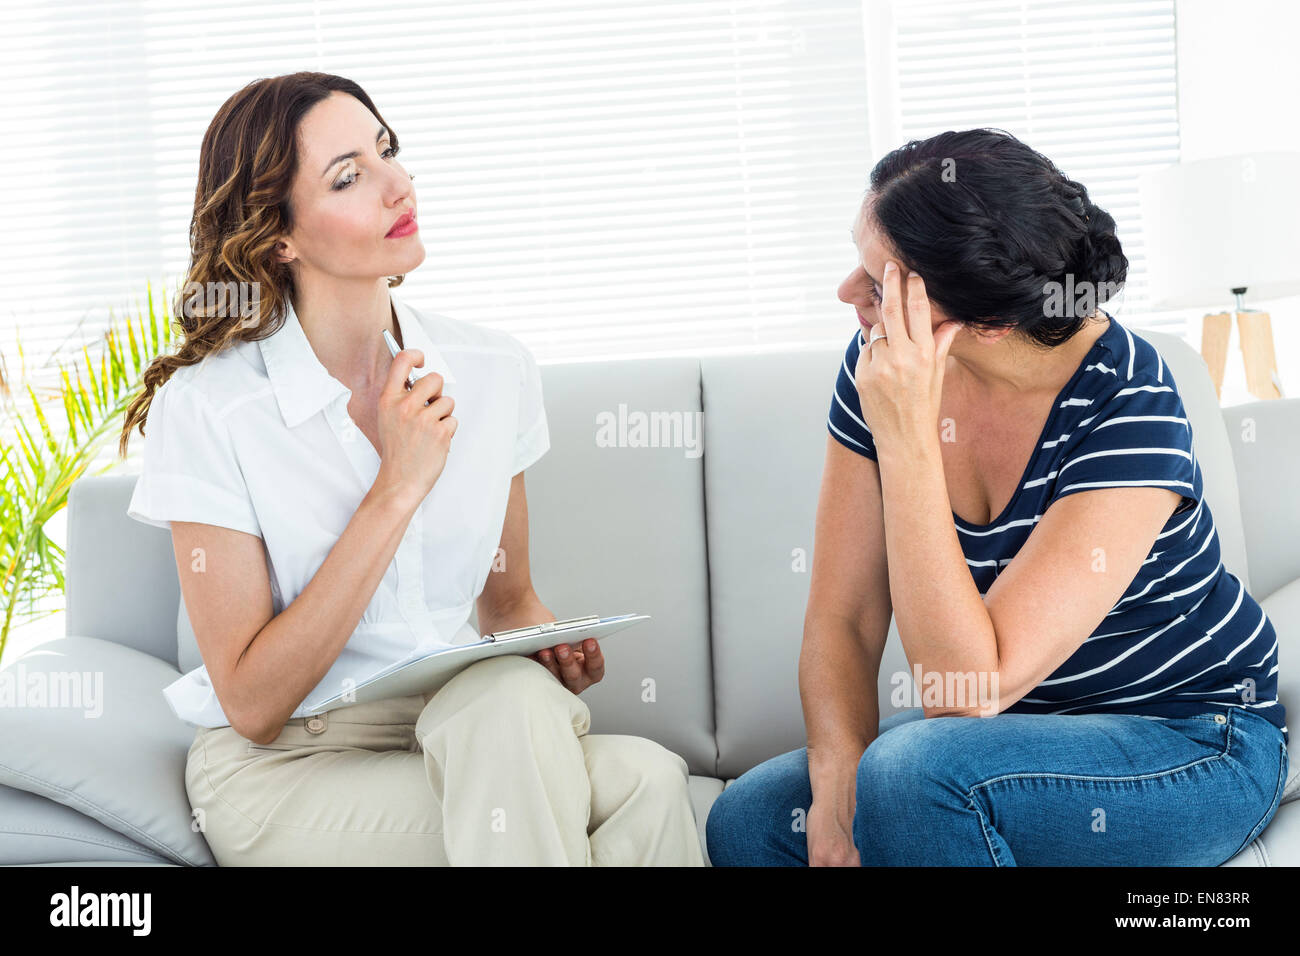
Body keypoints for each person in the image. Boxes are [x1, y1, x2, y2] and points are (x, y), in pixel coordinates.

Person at [119, 71, 704, 866]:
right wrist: (396, 488)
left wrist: (549, 644)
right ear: (279, 235)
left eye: (387, 150)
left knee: (644, 772)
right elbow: (252, 703)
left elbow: (509, 602)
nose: (398, 184)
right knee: (581, 771)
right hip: (288, 764)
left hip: (459, 726)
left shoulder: (492, 369)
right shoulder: (212, 408)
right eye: (349, 176)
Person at [706, 128, 1288, 867]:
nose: (849, 295)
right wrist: (832, 781)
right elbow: (845, 619)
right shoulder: (879, 363)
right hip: (1007, 740)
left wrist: (910, 440)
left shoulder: (1128, 398)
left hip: (1189, 738)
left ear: (981, 322)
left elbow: (967, 687)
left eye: (878, 285)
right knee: (751, 820)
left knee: (914, 777)